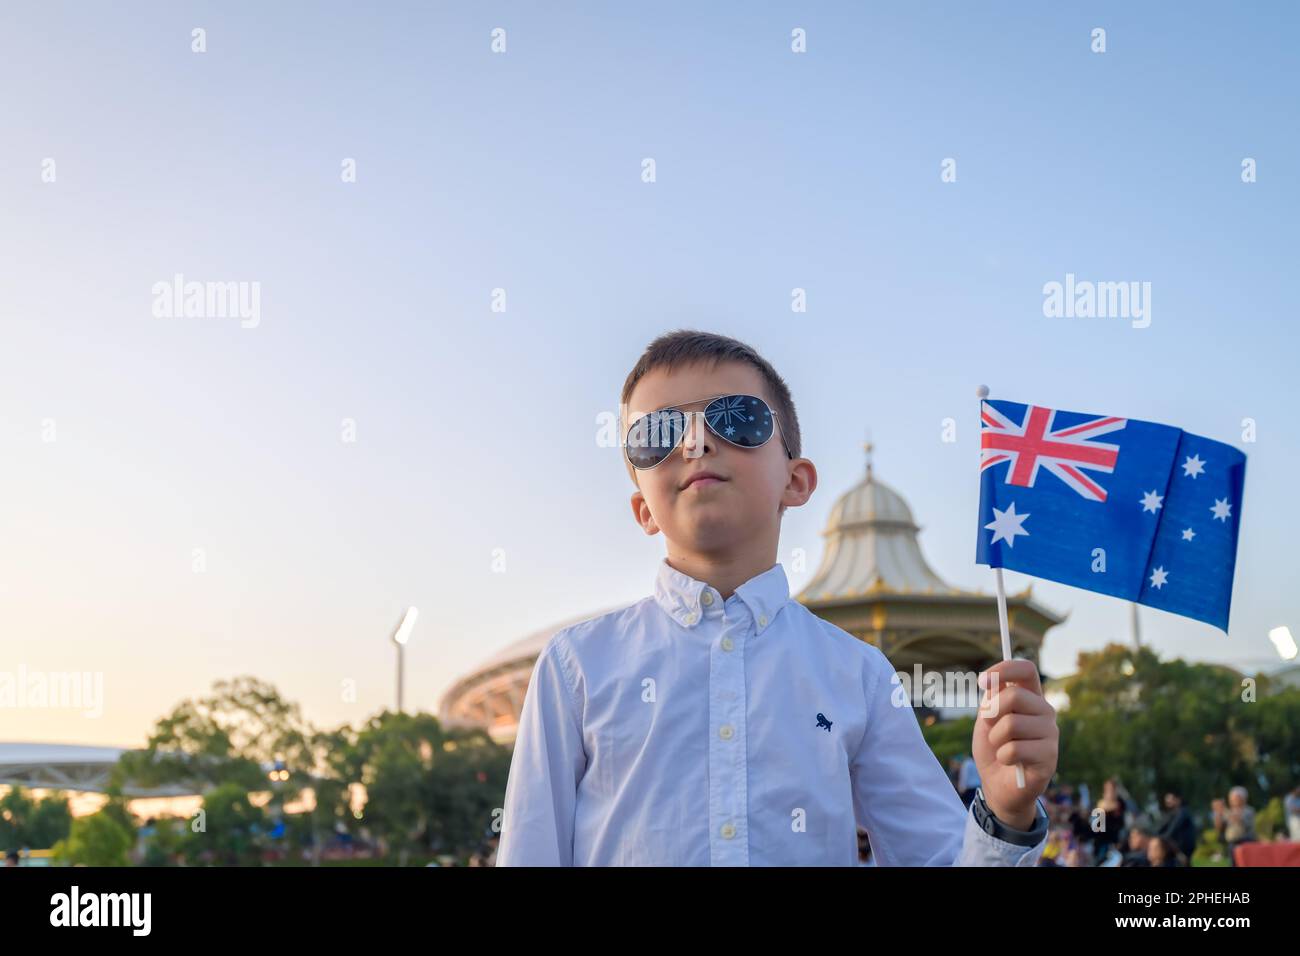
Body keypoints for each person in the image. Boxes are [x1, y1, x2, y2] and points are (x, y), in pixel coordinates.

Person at [496, 330, 1059, 866]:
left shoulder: (858, 674)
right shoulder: (576, 667)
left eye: (737, 419)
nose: (695, 442)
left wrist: (1006, 810)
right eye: (657, 434)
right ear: (643, 508)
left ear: (797, 480)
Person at [1215, 786, 1257, 866]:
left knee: (1244, 864)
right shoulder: (1229, 811)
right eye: (1231, 798)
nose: (1231, 800)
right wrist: (1218, 814)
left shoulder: (1249, 810)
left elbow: (1237, 819)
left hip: (1245, 842)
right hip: (1232, 843)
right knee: (1233, 864)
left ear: (1242, 799)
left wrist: (1223, 809)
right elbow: (1219, 827)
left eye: (1234, 798)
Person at [1154, 791, 1197, 861]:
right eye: (1166, 801)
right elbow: (1160, 828)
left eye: (1170, 800)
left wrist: (1159, 837)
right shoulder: (1172, 813)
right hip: (1178, 846)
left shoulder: (1182, 812)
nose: (1168, 802)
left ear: (1178, 800)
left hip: (1183, 848)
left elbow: (1171, 831)